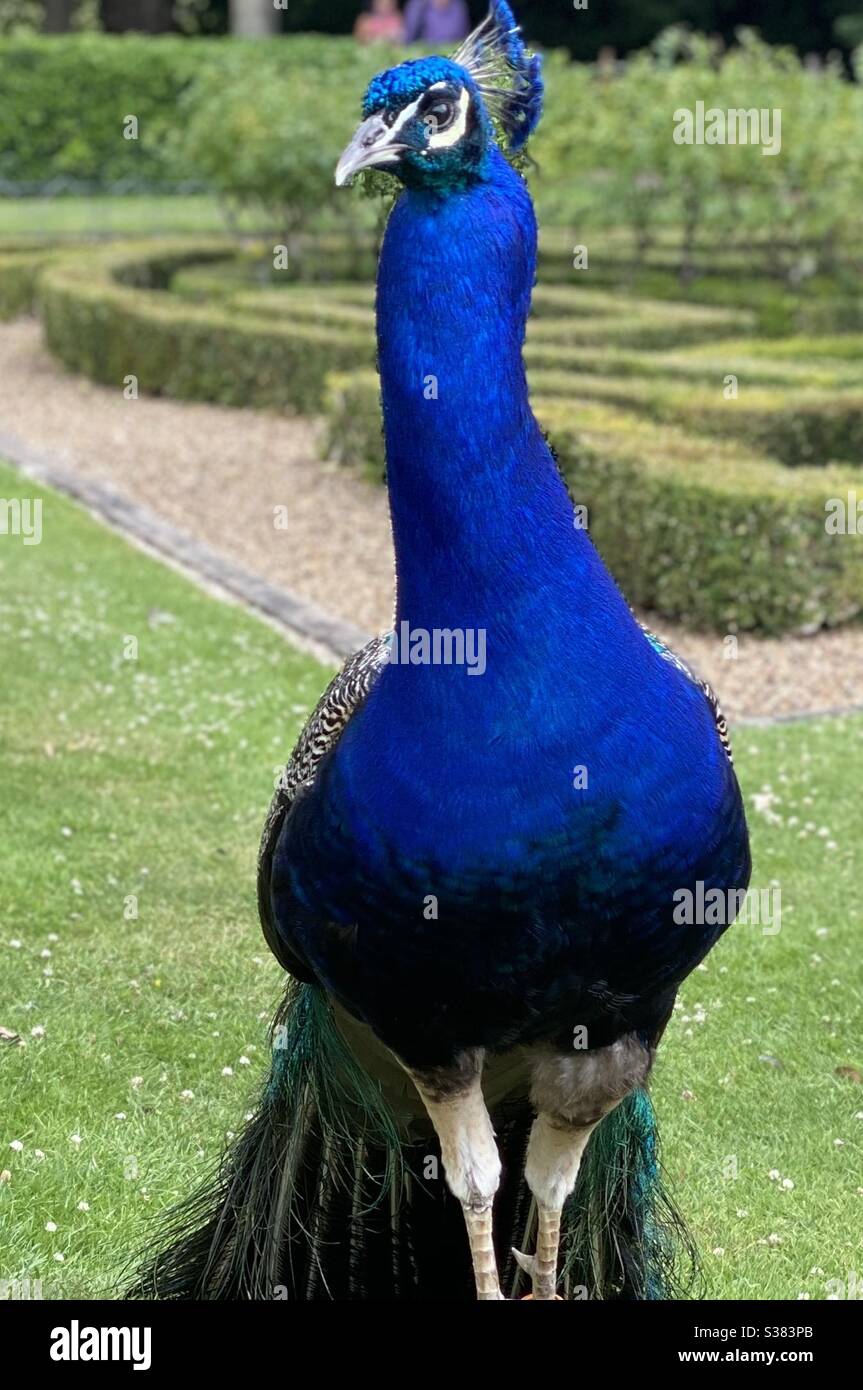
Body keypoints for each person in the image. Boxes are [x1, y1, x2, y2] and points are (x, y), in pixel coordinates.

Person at [403, 0, 471, 45]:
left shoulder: (459, 6)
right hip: (424, 58)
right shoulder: (418, 5)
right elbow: (409, 38)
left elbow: (464, 38)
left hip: (452, 57)